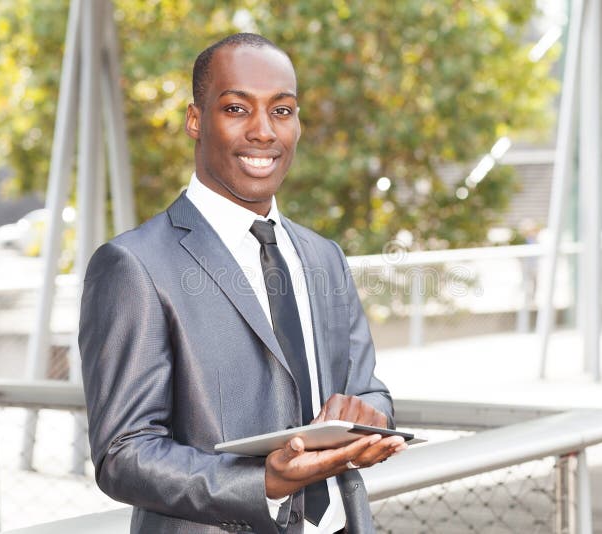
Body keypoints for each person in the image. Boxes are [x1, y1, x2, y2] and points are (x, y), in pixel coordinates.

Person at [79, 33, 405, 534]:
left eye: (282, 111)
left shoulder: (325, 256)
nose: (263, 132)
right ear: (195, 120)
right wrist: (263, 484)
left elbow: (370, 393)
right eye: (236, 109)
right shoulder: (132, 264)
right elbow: (123, 454)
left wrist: (370, 419)